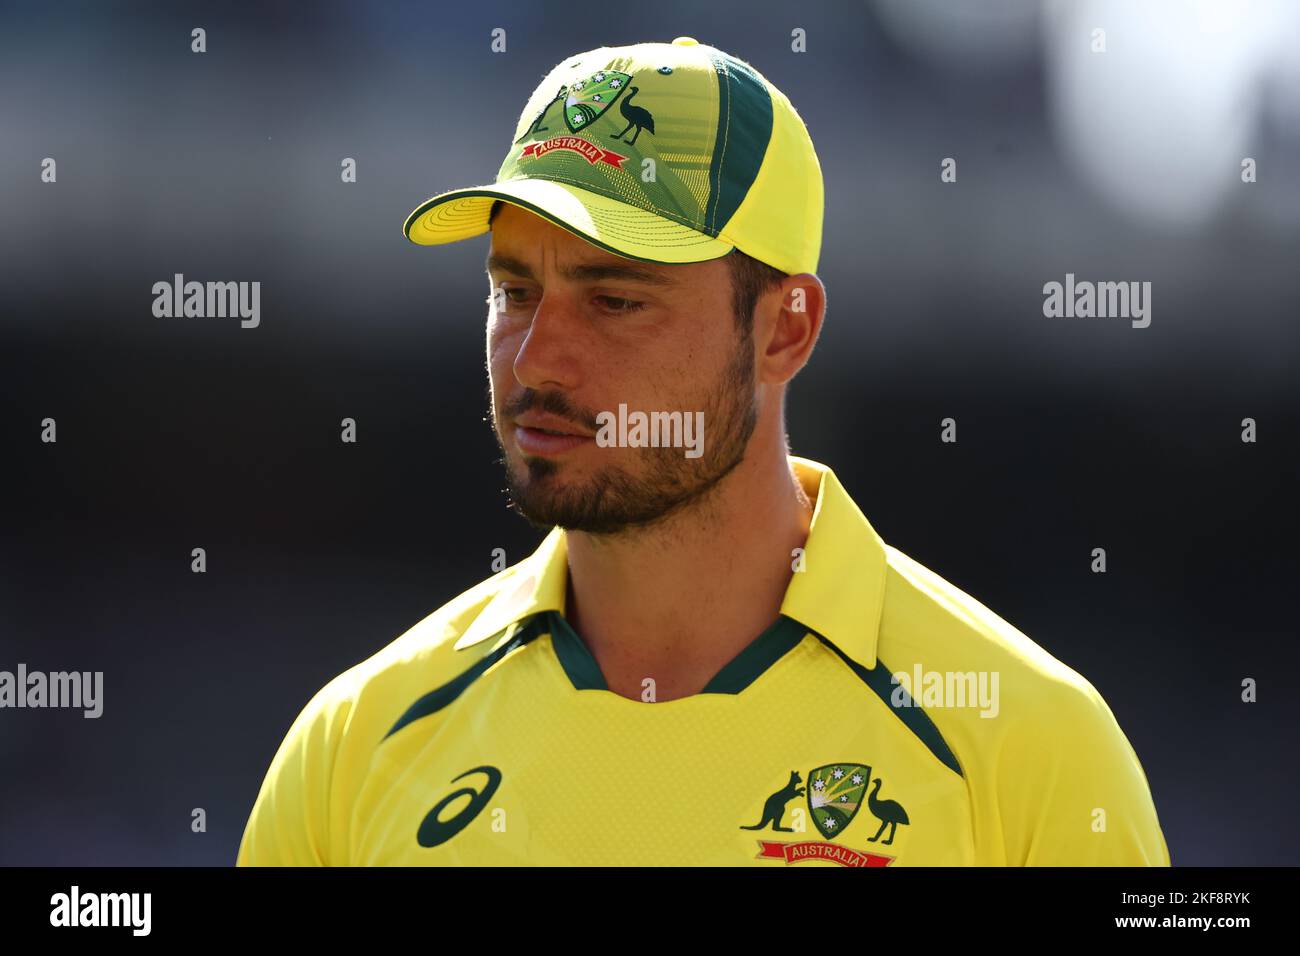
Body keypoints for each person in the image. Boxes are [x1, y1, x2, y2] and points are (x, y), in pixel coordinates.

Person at [237, 37, 1169, 867]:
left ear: (785, 331)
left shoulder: (1028, 746)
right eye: (515, 291)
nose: (536, 357)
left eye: (614, 300)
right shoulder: (354, 747)